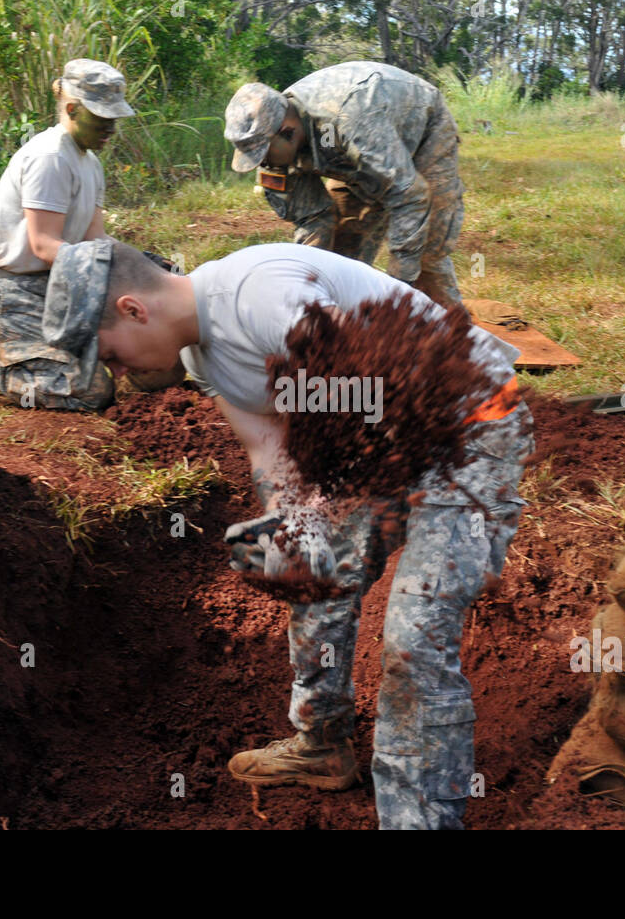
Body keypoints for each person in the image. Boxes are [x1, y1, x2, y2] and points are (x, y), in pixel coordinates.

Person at [92, 239, 534, 829]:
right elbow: (268, 446)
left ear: (132, 309)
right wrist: (291, 526)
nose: (119, 374)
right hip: (386, 445)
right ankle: (321, 741)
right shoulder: (202, 358)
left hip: (470, 428)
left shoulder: (262, 296)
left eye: (110, 356)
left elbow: (371, 384)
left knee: (414, 630)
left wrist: (330, 492)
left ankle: (418, 818)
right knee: (310, 569)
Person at [223, 62, 468, 312]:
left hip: (423, 128)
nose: (261, 163)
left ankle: (456, 336)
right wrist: (303, 289)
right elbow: (313, 220)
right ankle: (349, 332)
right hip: (352, 153)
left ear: (288, 131)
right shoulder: (278, 150)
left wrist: (398, 290)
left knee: (426, 249)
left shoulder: (347, 121)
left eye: (263, 153)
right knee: (342, 261)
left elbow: (409, 196)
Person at [0, 58, 135, 410]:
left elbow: (95, 239)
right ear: (72, 109)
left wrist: (142, 265)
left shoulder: (89, 162)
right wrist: (112, 265)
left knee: (131, 357)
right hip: (8, 293)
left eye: (114, 119)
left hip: (53, 287)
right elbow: (44, 246)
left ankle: (25, 354)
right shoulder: (50, 157)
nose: (111, 128)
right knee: (89, 390)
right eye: (102, 118)